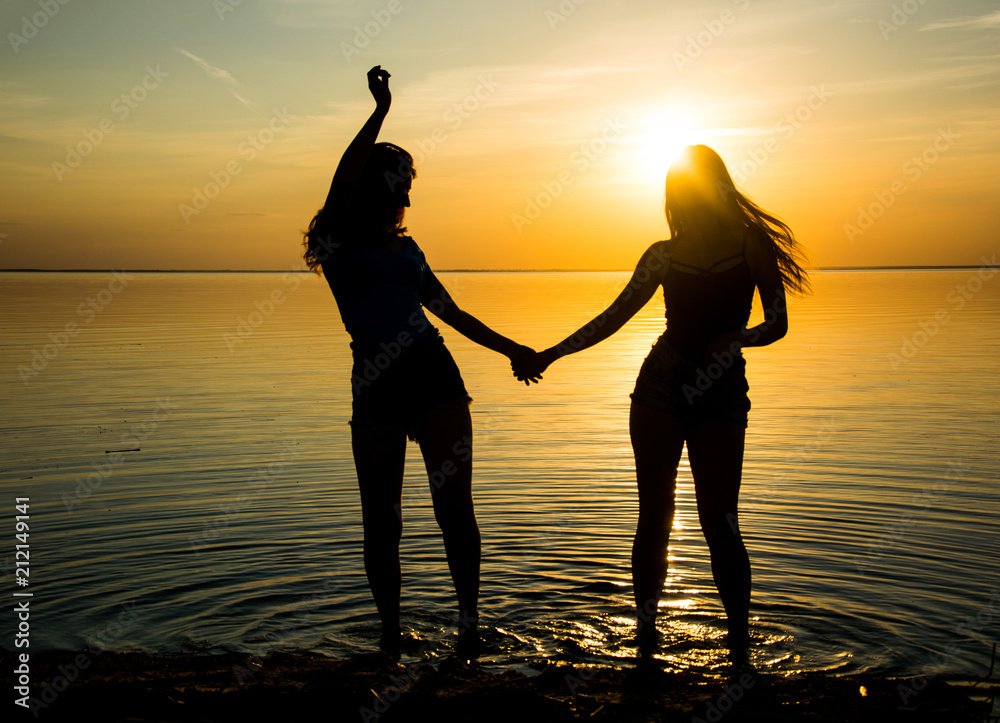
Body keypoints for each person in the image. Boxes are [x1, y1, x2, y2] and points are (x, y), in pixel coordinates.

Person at [513, 144, 810, 659]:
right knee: (655, 515)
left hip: (721, 390)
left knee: (721, 521)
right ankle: (647, 637)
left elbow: (778, 322)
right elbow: (614, 316)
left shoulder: (751, 245)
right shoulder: (663, 254)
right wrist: (553, 353)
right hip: (662, 384)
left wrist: (739, 339)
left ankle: (740, 643)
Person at [303, 66, 534, 659]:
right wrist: (380, 111)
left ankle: (468, 624)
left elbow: (449, 311)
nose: (409, 193)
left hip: (435, 377)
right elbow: (341, 176)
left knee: (455, 510)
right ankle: (388, 637)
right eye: (402, 181)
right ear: (377, 183)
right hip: (375, 383)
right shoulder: (336, 243)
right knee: (383, 521)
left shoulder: (408, 249)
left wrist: (514, 351)